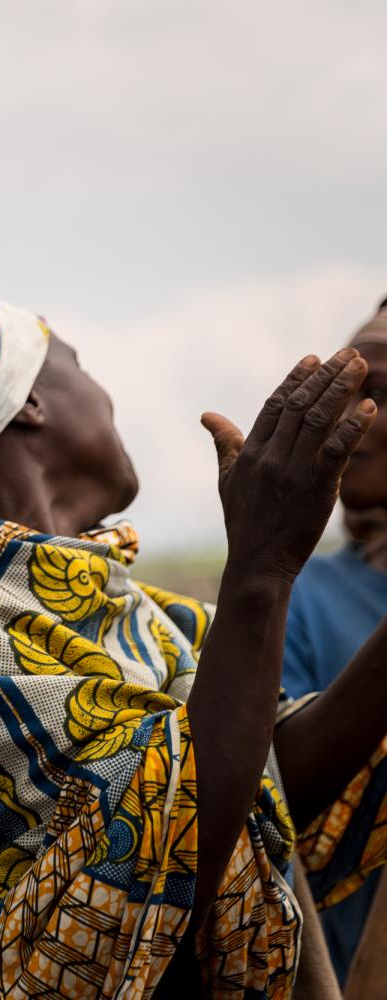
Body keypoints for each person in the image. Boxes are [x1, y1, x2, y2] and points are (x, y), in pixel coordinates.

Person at [0, 270, 387, 997]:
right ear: (28, 403)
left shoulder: (110, 601)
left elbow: (266, 783)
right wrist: (260, 570)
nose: (103, 390)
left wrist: (262, 571)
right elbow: (160, 853)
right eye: (76, 363)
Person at [282, 298, 387, 984]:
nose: (355, 418)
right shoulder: (296, 597)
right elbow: (269, 809)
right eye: (346, 392)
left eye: (382, 394)